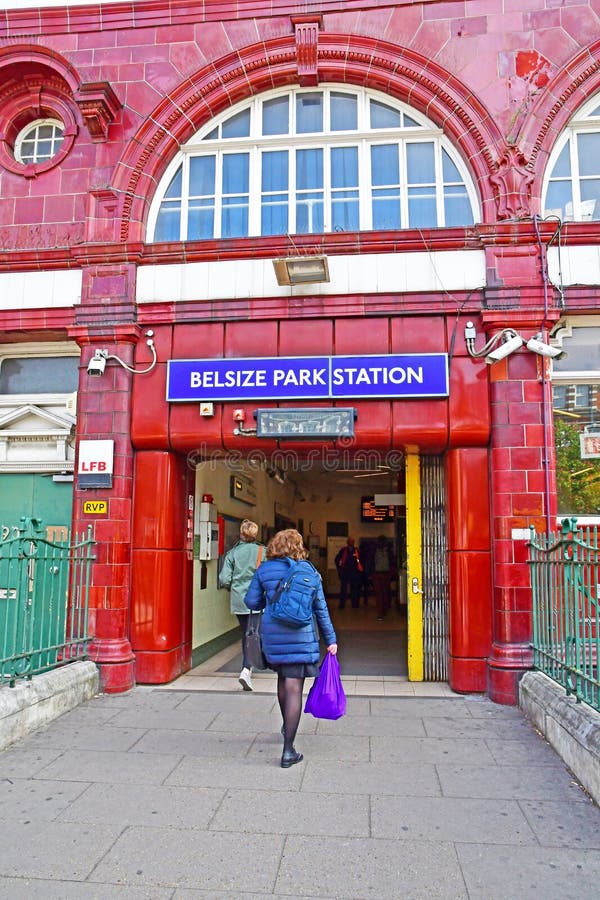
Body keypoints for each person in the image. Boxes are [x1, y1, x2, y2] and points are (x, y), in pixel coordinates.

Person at [244, 528, 338, 768]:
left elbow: (251, 601)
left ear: (275, 545)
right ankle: (288, 750)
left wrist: (270, 598)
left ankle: (287, 726)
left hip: (274, 636)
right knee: (294, 688)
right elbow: (321, 609)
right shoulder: (309, 572)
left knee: (282, 680)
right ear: (298, 547)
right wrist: (331, 640)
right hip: (301, 637)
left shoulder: (265, 569)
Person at [218, 519, 266, 691]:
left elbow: (224, 579)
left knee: (247, 632)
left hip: (239, 600)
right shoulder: (262, 551)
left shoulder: (232, 553)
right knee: (253, 633)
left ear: (241, 534)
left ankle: (248, 667)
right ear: (255, 534)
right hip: (257, 599)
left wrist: (235, 587)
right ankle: (246, 669)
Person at [371, 534, 395, 621]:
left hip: (379, 574)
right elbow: (392, 562)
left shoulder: (375, 550)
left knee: (380, 594)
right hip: (383, 574)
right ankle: (382, 611)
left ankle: (381, 612)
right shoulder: (388, 551)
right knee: (384, 593)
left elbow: (370, 562)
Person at [334, 536, 363, 609]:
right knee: (343, 589)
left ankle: (355, 604)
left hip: (354, 572)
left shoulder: (356, 551)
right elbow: (337, 559)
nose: (352, 543)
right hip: (345, 572)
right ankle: (342, 604)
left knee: (354, 589)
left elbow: (360, 560)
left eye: (353, 541)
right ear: (348, 542)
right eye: (350, 541)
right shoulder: (344, 550)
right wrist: (340, 568)